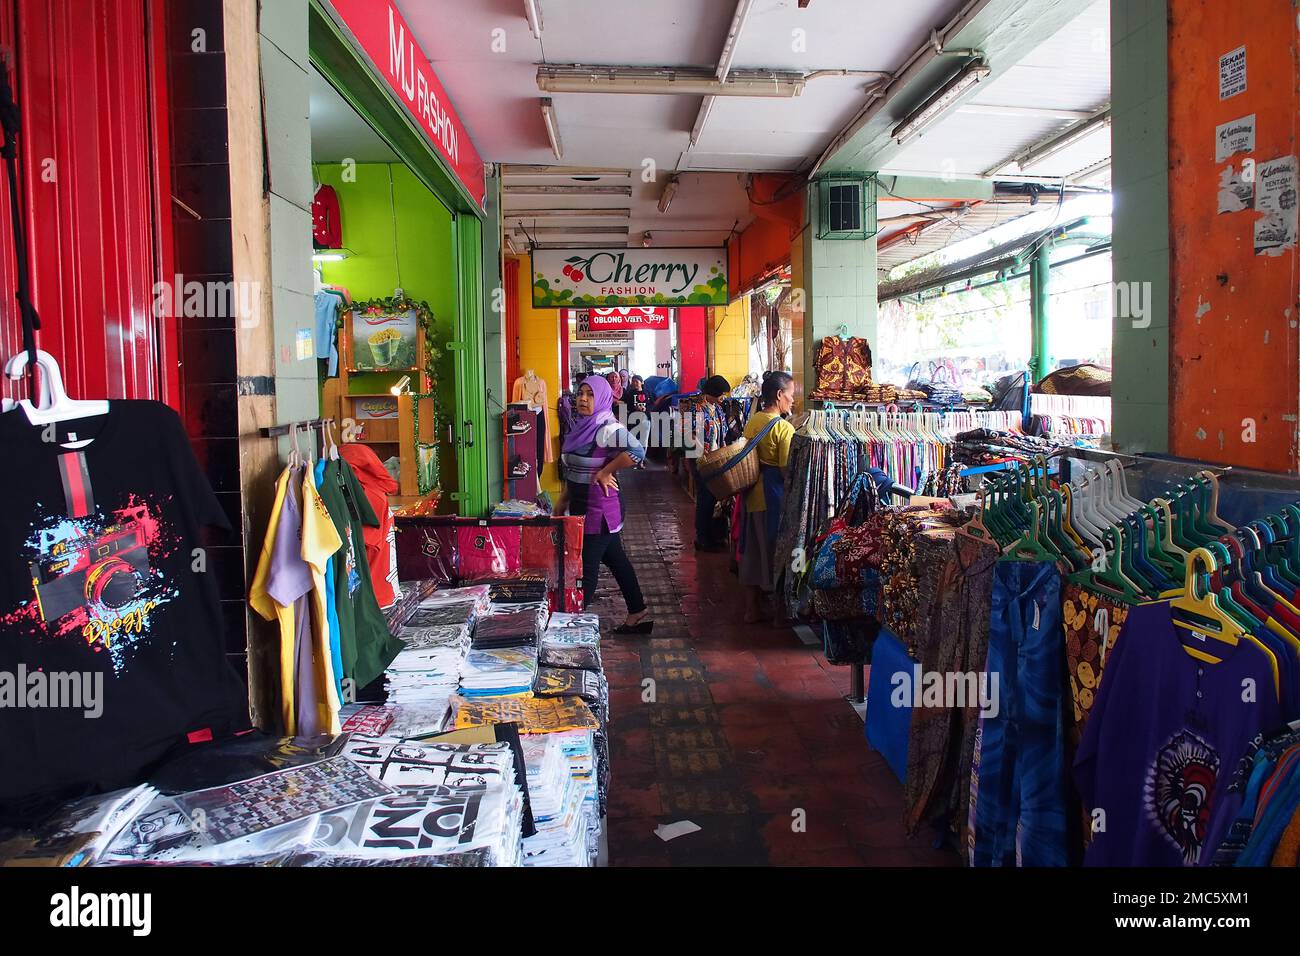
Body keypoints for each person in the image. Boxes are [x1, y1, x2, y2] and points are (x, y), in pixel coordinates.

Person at [555, 375, 653, 634]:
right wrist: (562, 501)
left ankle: (565, 630)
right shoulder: (580, 426)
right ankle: (638, 611)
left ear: (602, 398)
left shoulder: (606, 427)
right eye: (581, 393)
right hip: (581, 507)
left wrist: (606, 471)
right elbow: (574, 471)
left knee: (585, 572)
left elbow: (637, 451)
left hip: (600, 511)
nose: (583, 399)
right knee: (616, 559)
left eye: (590, 394)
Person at [738, 371, 796, 623]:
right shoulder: (784, 428)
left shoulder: (754, 420)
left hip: (752, 493)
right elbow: (784, 469)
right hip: (773, 498)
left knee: (752, 550)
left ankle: (750, 609)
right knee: (777, 552)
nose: (792, 401)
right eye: (791, 396)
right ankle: (778, 614)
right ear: (779, 395)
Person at [692, 375, 733, 552]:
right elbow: (689, 437)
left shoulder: (717, 410)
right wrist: (704, 454)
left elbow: (723, 434)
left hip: (717, 460)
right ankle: (702, 538)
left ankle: (714, 535)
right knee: (705, 499)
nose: (723, 398)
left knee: (716, 499)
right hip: (702, 462)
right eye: (721, 395)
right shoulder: (696, 410)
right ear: (713, 392)